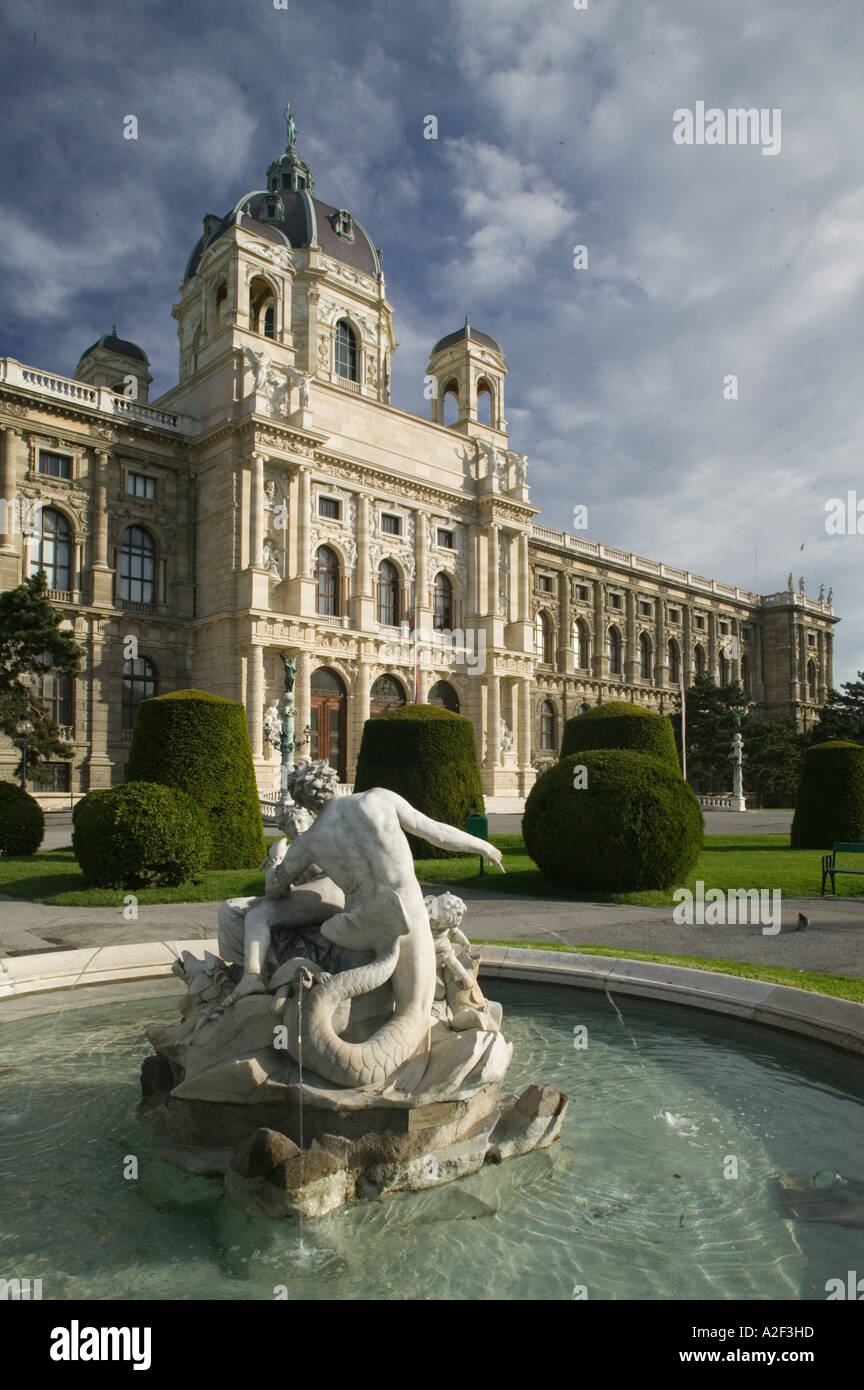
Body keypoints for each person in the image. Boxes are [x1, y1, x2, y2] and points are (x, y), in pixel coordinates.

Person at [226, 759, 504, 1003]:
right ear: (332, 781)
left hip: (358, 924)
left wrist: (275, 861)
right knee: (415, 1008)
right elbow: (435, 833)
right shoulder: (378, 799)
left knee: (360, 1006)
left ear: (303, 802)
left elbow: (274, 889)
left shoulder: (309, 841)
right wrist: (483, 846)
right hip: (404, 906)